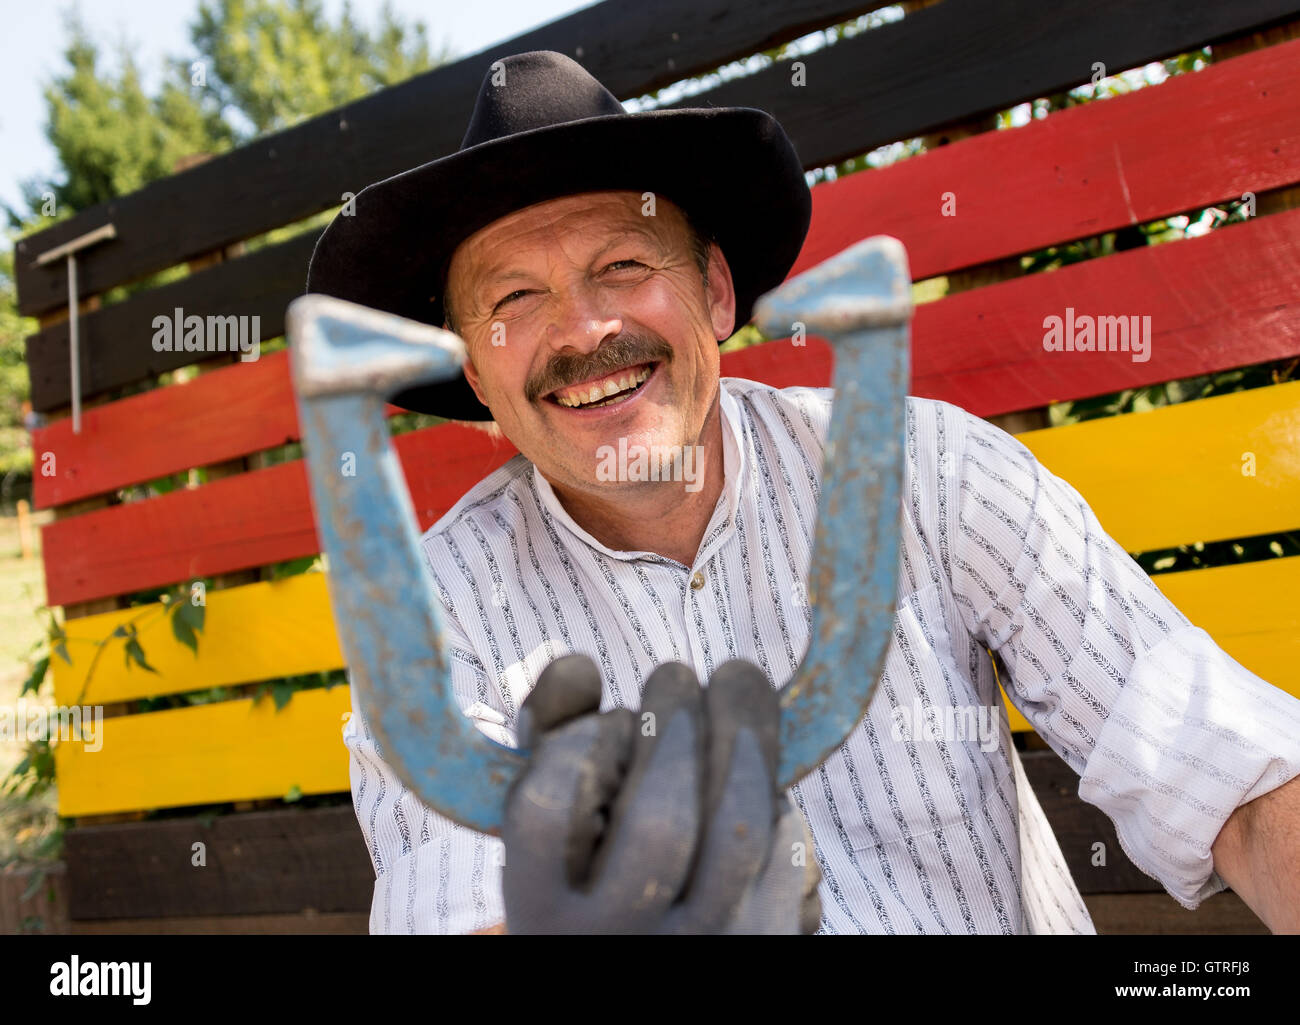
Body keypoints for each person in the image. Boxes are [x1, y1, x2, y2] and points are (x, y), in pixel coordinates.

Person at [306, 50, 1300, 934]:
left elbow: (1229, 768)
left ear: (717, 293)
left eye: (622, 263)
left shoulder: (927, 471)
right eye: (514, 298)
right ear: (475, 373)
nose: (582, 329)